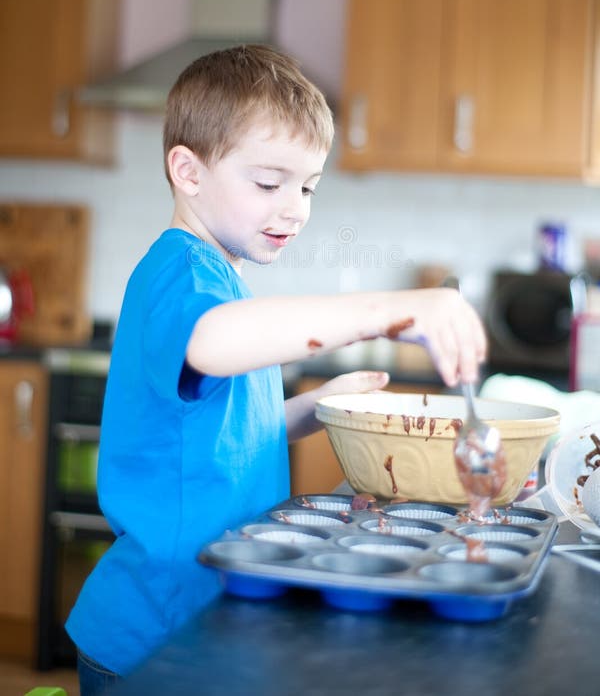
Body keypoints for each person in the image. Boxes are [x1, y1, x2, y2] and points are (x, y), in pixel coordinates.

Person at [66, 44, 486, 693]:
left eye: (309, 186)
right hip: (158, 627)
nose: (296, 208)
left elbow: (226, 429)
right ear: (189, 171)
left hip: (208, 610)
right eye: (269, 183)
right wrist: (388, 310)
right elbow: (211, 342)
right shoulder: (181, 274)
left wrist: (321, 408)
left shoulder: (226, 285)